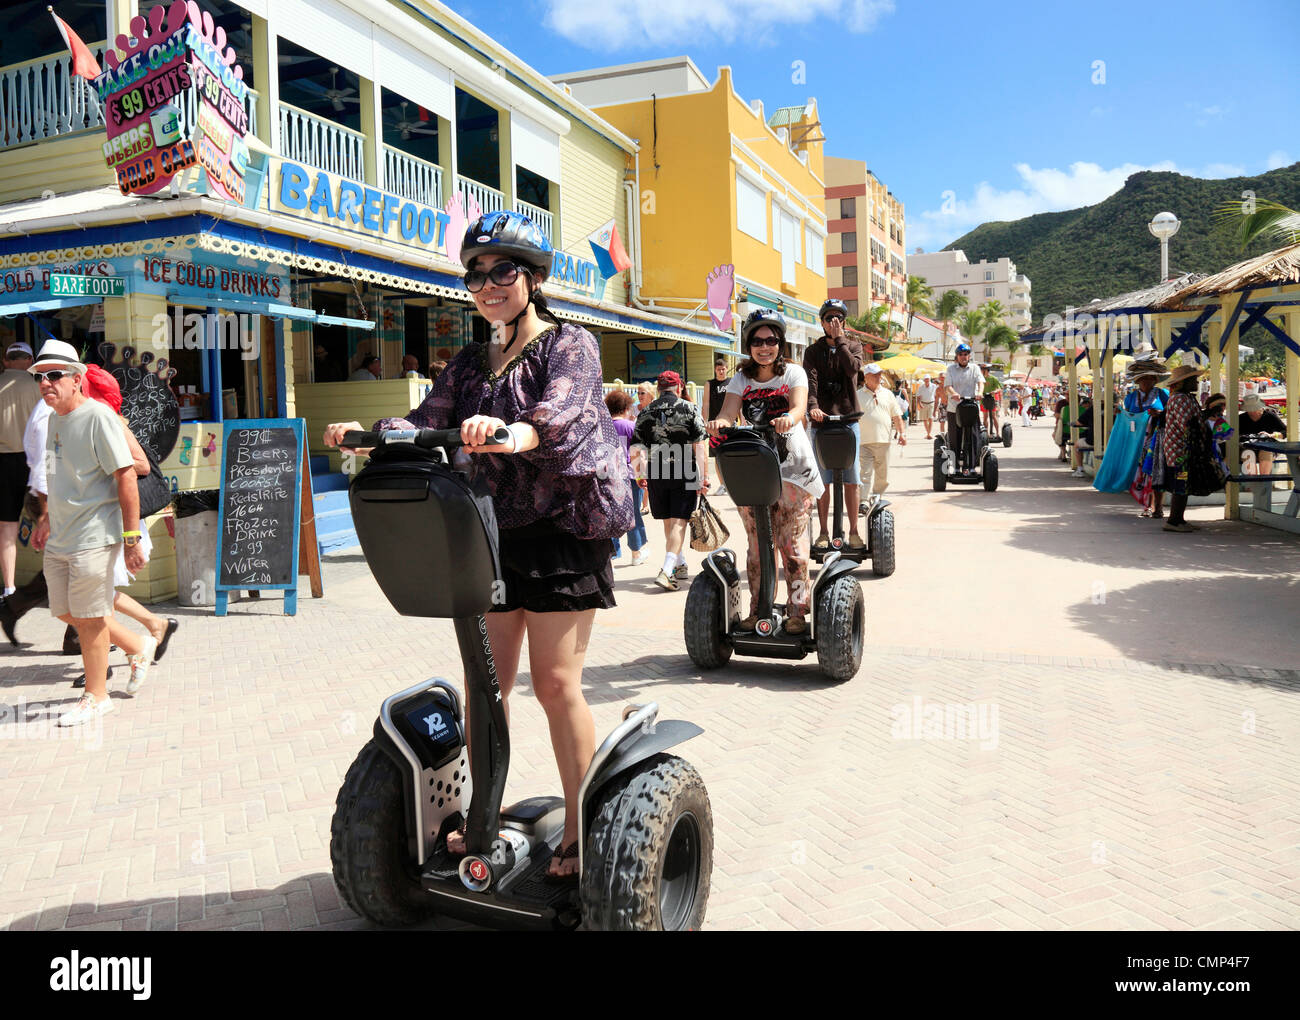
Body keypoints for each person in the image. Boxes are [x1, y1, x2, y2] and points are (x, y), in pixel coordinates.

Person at [325, 210, 633, 880]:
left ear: (531, 277)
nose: (488, 284)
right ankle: (482, 816)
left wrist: (514, 433)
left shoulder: (568, 344)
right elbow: (425, 418)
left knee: (555, 685)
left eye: (503, 271)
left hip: (561, 533)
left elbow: (563, 413)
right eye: (476, 274)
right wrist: (367, 433)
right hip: (491, 531)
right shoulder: (468, 361)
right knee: (484, 684)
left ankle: (581, 833)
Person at [28, 340, 146, 726]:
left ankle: (97, 696)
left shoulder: (98, 417)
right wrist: (44, 518)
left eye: (54, 375)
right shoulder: (53, 419)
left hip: (94, 535)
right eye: (40, 377)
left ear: (77, 380)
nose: (46, 383)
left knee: (91, 618)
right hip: (62, 533)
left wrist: (130, 539)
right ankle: (135, 645)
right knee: (64, 611)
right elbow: (51, 471)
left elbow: (127, 475)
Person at [707, 309, 822, 632]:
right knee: (757, 547)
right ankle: (760, 610)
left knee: (791, 544)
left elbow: (799, 407)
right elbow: (729, 413)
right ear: (749, 345)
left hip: (791, 470)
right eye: (757, 341)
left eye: (771, 340)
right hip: (755, 469)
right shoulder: (741, 379)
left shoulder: (793, 374)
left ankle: (797, 612)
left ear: (780, 343)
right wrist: (720, 423)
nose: (764, 347)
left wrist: (790, 416)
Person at [81, 365, 178, 690]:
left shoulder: (111, 422)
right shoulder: (83, 421)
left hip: (115, 521)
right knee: (91, 595)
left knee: (91, 597)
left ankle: (129, 650)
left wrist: (108, 467)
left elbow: (141, 465)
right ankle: (151, 627)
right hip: (96, 520)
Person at [632, 370, 709, 592]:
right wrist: (703, 477)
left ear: (658, 388)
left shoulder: (646, 411)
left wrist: (639, 473)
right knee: (678, 522)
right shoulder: (690, 408)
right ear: (679, 386)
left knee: (669, 522)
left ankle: (679, 563)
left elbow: (636, 447)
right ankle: (667, 570)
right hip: (684, 469)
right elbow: (700, 446)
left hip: (657, 470)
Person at [804, 298, 864, 549]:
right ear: (822, 322)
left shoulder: (854, 345)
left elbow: (853, 370)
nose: (833, 322)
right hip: (822, 423)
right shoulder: (812, 351)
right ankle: (824, 532)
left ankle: (853, 531)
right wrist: (813, 407)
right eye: (829, 318)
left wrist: (840, 341)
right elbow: (811, 381)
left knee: (852, 478)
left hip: (849, 420)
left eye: (838, 318)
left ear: (844, 322)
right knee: (823, 480)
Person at [0, 340, 40, 599]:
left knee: (6, 527)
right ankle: (58, 581)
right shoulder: (38, 386)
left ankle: (9, 587)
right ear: (29, 361)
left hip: (2, 461)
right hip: (33, 459)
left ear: (5, 362)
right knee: (48, 520)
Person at [1160, 365, 1207, 532]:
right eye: (1193, 379)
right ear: (1184, 382)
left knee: (1184, 485)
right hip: (1180, 451)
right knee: (1180, 485)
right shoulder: (1180, 399)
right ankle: (1173, 521)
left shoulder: (1185, 397)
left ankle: (1180, 519)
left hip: (1183, 449)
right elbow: (1187, 423)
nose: (1196, 382)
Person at [605, 389, 648, 567]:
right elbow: (639, 454)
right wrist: (642, 475)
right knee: (634, 514)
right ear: (626, 408)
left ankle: (613, 551)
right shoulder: (631, 427)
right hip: (630, 475)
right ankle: (636, 552)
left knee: (611, 512)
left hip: (608, 475)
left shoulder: (603, 427)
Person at [1124, 366, 1169, 518]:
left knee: (1156, 473)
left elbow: (1171, 413)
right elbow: (1128, 417)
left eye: (1150, 378)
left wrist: (1160, 414)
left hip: (1157, 439)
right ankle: (1147, 505)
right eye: (1143, 378)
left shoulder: (1163, 394)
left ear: (1155, 380)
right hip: (1137, 441)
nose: (1146, 381)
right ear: (1137, 380)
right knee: (1141, 474)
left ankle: (1158, 506)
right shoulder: (1130, 398)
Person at [855, 364, 906, 495]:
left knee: (883, 476)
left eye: (879, 374)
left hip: (884, 441)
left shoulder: (888, 394)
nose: (879, 377)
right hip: (863, 442)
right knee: (864, 474)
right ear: (866, 377)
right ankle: (864, 501)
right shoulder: (857, 395)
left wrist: (902, 433)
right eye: (875, 374)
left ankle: (877, 497)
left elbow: (897, 416)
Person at [942, 342, 984, 453]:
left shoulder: (975, 368)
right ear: (957, 356)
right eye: (961, 354)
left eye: (966, 354)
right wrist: (953, 393)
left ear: (969, 356)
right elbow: (947, 386)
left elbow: (980, 382)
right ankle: (954, 463)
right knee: (955, 437)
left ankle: (972, 463)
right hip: (955, 407)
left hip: (971, 406)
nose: (963, 356)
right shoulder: (950, 369)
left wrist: (979, 392)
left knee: (974, 436)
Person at [1238, 393, 1287, 476]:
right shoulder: (1241, 418)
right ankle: (1253, 483)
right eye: (1248, 409)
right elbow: (1229, 432)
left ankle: (1264, 483)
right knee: (1248, 454)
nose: (1251, 411)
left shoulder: (1270, 416)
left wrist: (1271, 435)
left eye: (1253, 408)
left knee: (1266, 452)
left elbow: (1285, 432)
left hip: (1267, 446)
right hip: (1247, 447)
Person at [705, 356, 731, 496]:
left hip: (730, 424)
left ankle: (731, 483)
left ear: (726, 369)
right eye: (718, 369)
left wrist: (743, 419)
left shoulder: (731, 383)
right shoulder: (710, 384)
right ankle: (722, 484)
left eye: (723, 369)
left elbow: (738, 403)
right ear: (715, 370)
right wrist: (704, 422)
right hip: (714, 426)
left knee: (731, 453)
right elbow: (706, 404)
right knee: (717, 455)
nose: (721, 371)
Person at [1070, 395, 1095, 477]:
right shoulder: (1114, 410)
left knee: (1077, 445)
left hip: (1093, 440)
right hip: (1111, 440)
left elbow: (1079, 423)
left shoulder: (1091, 410)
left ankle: (1080, 469)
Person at [978, 363, 1001, 433]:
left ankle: (997, 433)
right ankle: (986, 434)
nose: (981, 371)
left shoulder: (993, 378)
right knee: (985, 417)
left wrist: (994, 391)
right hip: (983, 400)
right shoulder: (979, 379)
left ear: (987, 370)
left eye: (982, 370)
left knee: (994, 416)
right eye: (981, 370)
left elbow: (999, 388)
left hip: (992, 399)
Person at [916, 374, 938, 440]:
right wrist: (919, 404)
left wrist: (937, 406)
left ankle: (929, 434)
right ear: (924, 380)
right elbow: (918, 396)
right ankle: (928, 433)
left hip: (931, 403)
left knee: (930, 419)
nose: (927, 380)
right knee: (925, 419)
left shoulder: (934, 386)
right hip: (923, 404)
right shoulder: (921, 387)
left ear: (929, 379)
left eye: (928, 379)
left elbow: (937, 396)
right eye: (925, 379)